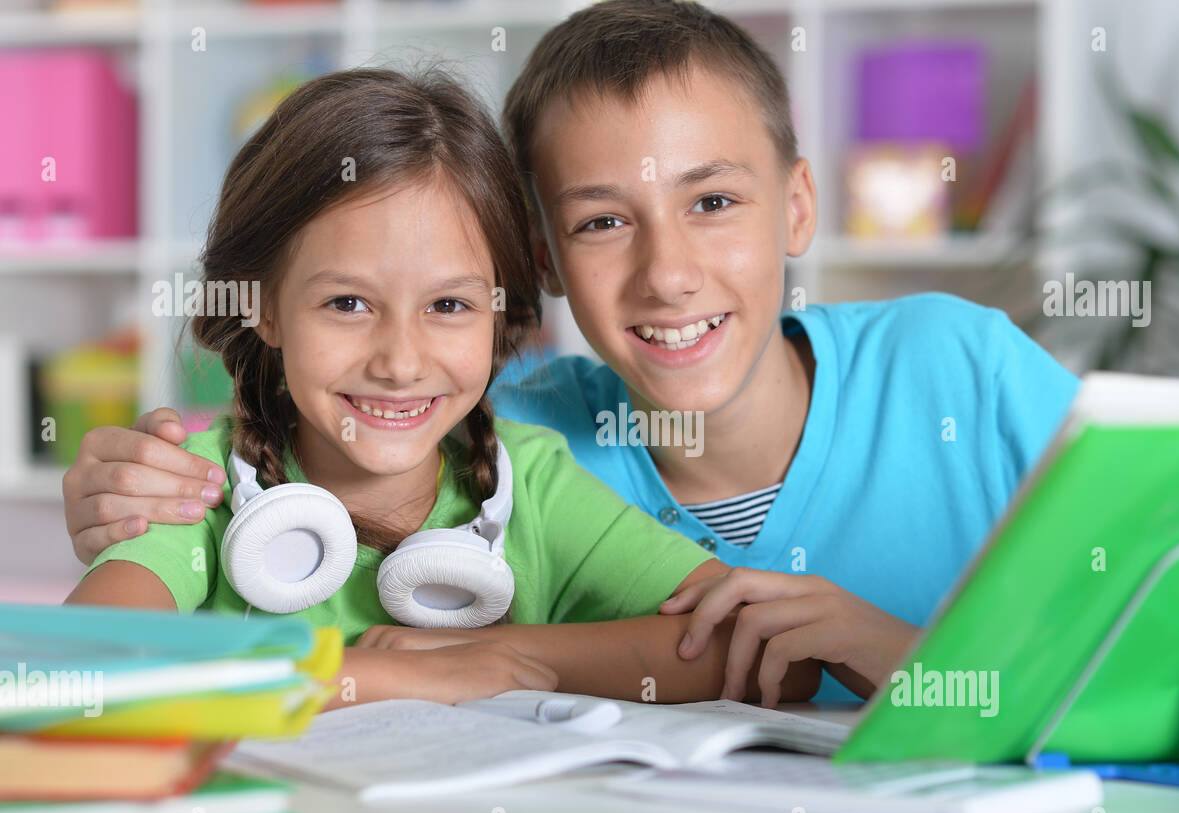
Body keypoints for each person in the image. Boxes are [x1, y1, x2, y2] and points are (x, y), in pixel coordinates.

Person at [62, 0, 1078, 704]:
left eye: (713, 201)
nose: (668, 274)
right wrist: (122, 487)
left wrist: (506, 654)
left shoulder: (963, 370)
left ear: (798, 204)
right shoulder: (506, 427)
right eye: (603, 222)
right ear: (543, 262)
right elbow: (94, 649)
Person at [63, 66, 822, 710]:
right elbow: (75, 671)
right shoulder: (194, 491)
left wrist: (509, 657)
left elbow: (768, 653)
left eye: (449, 306)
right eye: (348, 304)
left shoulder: (537, 484)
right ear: (264, 306)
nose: (400, 361)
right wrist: (382, 675)